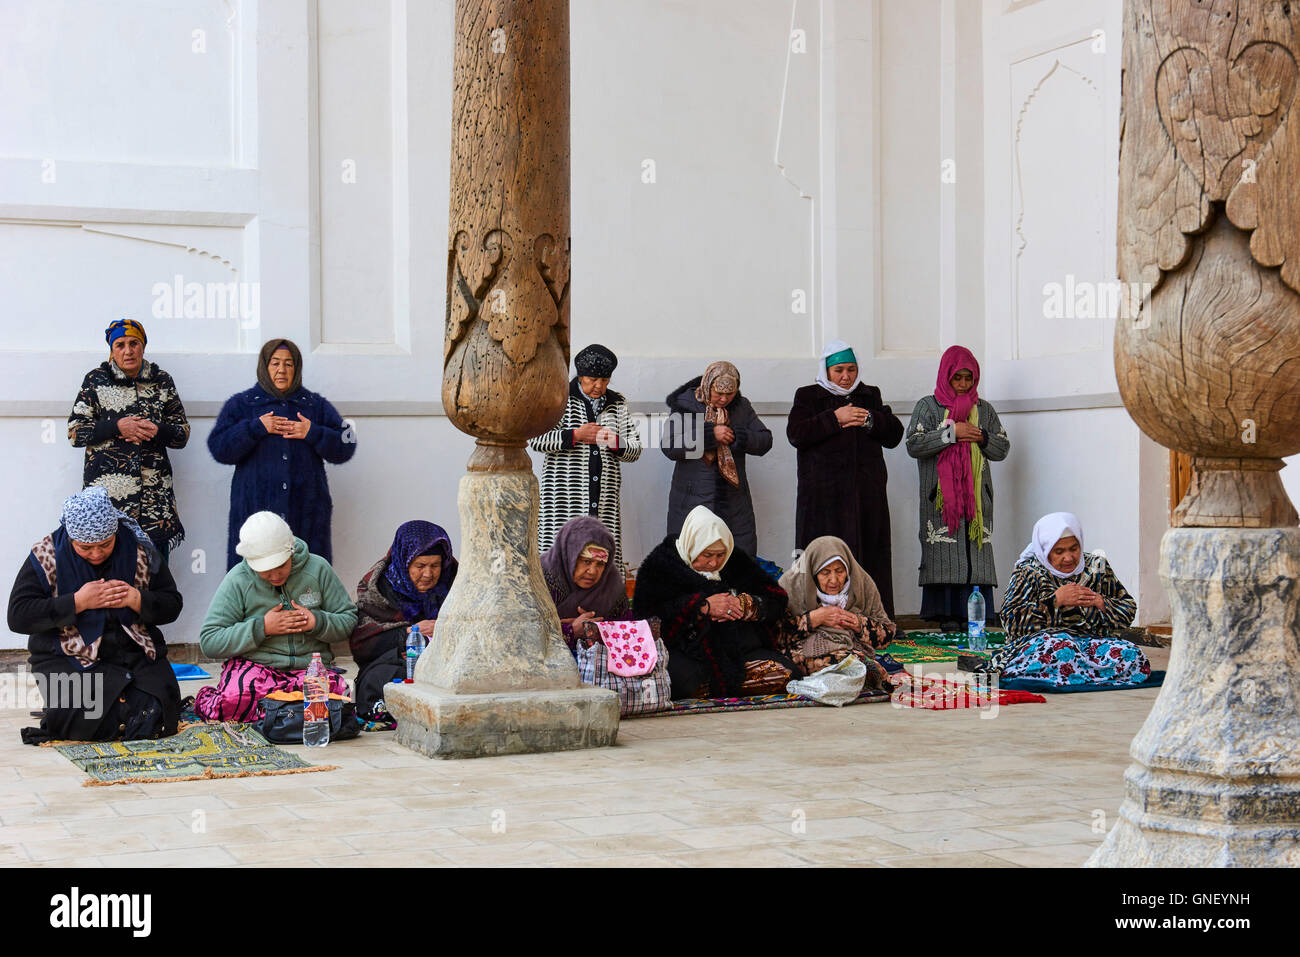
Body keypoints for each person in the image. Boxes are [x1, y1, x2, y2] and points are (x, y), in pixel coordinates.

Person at [8, 487, 182, 744]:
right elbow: (18, 616)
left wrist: (138, 600)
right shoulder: (47, 555)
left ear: (115, 533)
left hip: (133, 653)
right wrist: (77, 602)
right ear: (70, 538)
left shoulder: (139, 550)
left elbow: (172, 604)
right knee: (84, 717)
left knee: (160, 709)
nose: (97, 554)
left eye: (105, 545)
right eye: (85, 547)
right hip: (66, 656)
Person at [207, 338, 356, 570]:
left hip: (306, 515)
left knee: (308, 585)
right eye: (275, 363)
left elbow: (347, 444)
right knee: (254, 586)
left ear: (297, 368)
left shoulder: (314, 405)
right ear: (264, 367)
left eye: (289, 364)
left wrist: (313, 432)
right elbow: (219, 448)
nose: (282, 370)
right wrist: (255, 428)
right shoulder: (242, 405)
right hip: (255, 512)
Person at [195, 512, 357, 722]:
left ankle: (275, 714)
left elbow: (348, 620)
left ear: (290, 551)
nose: (275, 576)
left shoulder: (318, 569)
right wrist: (261, 628)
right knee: (234, 700)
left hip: (308, 668)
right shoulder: (238, 579)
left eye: (280, 565)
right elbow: (210, 641)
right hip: (257, 669)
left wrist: (317, 622)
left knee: (338, 700)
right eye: (265, 571)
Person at [787, 339, 905, 616]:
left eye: (851, 369)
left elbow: (894, 435)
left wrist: (869, 419)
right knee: (822, 555)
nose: (845, 376)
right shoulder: (808, 396)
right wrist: (835, 418)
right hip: (823, 499)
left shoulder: (869, 396)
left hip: (866, 496)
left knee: (869, 555)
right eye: (838, 370)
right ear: (826, 370)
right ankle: (818, 616)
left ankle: (874, 619)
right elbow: (797, 434)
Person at [634, 505, 795, 699]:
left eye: (720, 555)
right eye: (707, 555)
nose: (714, 563)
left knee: (789, 674)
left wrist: (746, 605)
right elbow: (647, 617)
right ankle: (725, 685)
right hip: (689, 652)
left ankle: (722, 685)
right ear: (691, 546)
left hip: (738, 649)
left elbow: (776, 597)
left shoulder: (734, 560)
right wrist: (702, 607)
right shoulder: (662, 565)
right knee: (679, 682)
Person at [905, 345, 1010, 628]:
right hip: (939, 501)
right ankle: (946, 615)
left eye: (969, 378)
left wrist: (980, 437)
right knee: (943, 552)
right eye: (957, 378)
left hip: (976, 501)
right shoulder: (928, 407)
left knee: (976, 552)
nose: (963, 384)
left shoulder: (984, 410)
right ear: (945, 376)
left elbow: (1002, 448)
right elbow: (914, 444)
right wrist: (951, 433)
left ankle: (974, 615)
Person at [68, 318, 190, 559]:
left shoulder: (161, 380)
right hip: (109, 503)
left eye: (134, 343)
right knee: (112, 576)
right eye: (120, 345)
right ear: (112, 350)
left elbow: (182, 434)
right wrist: (117, 426)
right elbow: (75, 432)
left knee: (155, 578)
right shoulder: (96, 380)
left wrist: (158, 429)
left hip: (154, 502)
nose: (128, 350)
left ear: (143, 346)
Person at [985, 513, 1150, 687]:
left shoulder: (1096, 567)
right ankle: (1091, 675)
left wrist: (1102, 603)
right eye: (1059, 551)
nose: (1069, 558)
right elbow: (1010, 620)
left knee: (1132, 654)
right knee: (1062, 650)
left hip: (1092, 644)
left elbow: (1128, 609)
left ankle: (1079, 675)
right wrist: (1055, 601)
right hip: (1045, 643)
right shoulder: (1029, 571)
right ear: (1045, 550)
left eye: (1074, 548)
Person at [531, 344, 642, 570]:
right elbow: (536, 440)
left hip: (604, 504)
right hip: (563, 502)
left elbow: (635, 449)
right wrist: (575, 435)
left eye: (605, 380)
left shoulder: (617, 403)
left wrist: (614, 442)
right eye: (592, 379)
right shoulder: (559, 397)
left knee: (600, 560)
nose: (599, 386)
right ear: (580, 376)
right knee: (561, 561)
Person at [663, 361, 772, 558]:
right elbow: (670, 445)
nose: (723, 399)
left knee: (737, 558)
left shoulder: (742, 407)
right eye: (718, 393)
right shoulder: (686, 404)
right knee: (693, 557)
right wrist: (709, 436)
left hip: (735, 501)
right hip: (692, 498)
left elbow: (765, 440)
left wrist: (739, 436)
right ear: (707, 385)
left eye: (729, 394)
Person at [350, 521, 458, 718]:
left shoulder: (456, 580)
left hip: (447, 664)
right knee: (384, 679)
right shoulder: (378, 586)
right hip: (395, 663)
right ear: (404, 562)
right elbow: (362, 644)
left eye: (435, 565)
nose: (428, 574)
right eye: (420, 566)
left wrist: (447, 628)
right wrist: (408, 634)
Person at [777, 535, 895, 692]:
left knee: (855, 663)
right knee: (847, 663)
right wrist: (814, 619)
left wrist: (859, 624)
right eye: (825, 573)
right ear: (813, 571)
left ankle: (853, 673)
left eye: (840, 571)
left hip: (853, 651)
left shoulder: (862, 584)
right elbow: (774, 636)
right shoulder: (791, 585)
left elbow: (886, 637)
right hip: (803, 653)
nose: (834, 580)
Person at [540, 516, 632, 651]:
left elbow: (629, 630)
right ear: (568, 555)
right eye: (586, 561)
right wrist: (570, 632)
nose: (592, 571)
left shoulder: (611, 586)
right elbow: (520, 632)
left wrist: (600, 629)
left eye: (600, 564)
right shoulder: (540, 579)